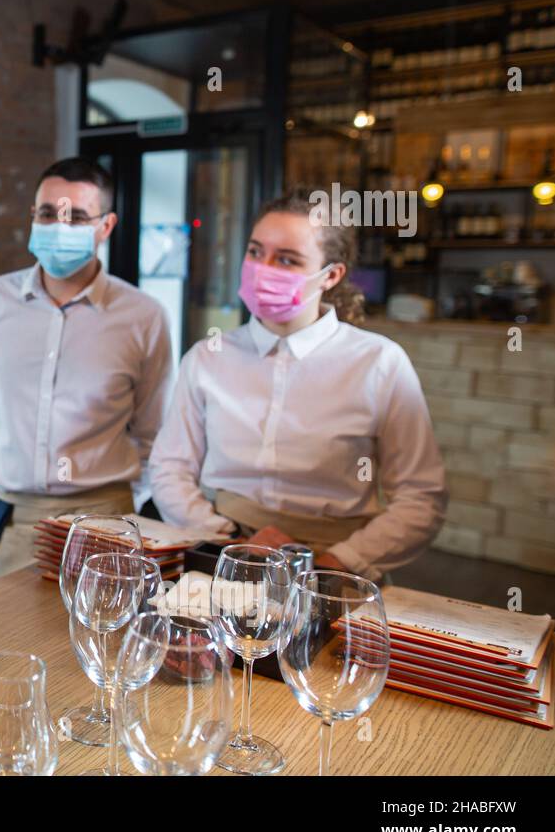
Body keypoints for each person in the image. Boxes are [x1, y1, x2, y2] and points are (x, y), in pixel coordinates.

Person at [149, 188, 447, 580]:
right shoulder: (208, 357)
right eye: (256, 252)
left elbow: (421, 497)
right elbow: (169, 468)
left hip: (340, 567)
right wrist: (224, 533)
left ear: (331, 275)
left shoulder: (379, 363)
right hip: (227, 554)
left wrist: (339, 560)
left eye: (287, 259)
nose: (263, 267)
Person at [0, 157, 173, 584]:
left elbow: (155, 432)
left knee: (99, 644)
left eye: (76, 216)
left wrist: (119, 507)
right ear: (31, 217)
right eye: (47, 213)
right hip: (11, 516)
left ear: (106, 227)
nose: (59, 225)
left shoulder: (144, 316)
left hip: (105, 521)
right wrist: (12, 475)